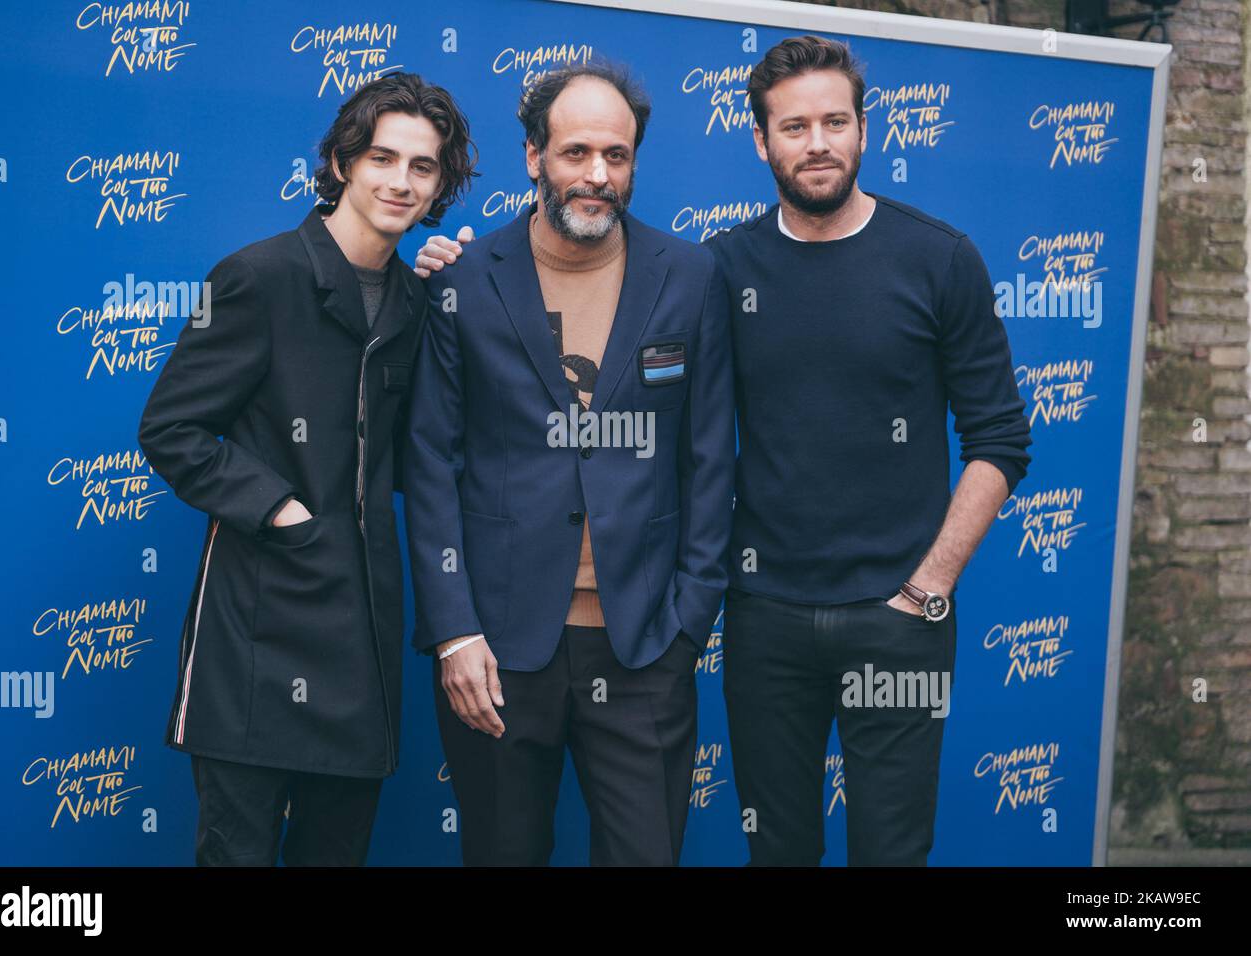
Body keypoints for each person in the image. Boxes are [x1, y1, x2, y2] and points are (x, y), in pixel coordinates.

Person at [414, 35, 1032, 867]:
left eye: (834, 122)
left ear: (862, 129)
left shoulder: (917, 259)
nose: (816, 142)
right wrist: (456, 632)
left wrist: (923, 591)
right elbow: (439, 458)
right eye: (794, 126)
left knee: (891, 851)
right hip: (717, 625)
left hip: (833, 629)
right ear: (760, 141)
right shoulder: (703, 268)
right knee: (771, 849)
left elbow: (993, 438)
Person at [138, 73, 477, 866]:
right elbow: (170, 427)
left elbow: (419, 452)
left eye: (422, 167)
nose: (400, 181)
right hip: (255, 631)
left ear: (440, 186)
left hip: (358, 639)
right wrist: (279, 509)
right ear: (340, 163)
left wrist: (460, 291)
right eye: (382, 158)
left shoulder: (417, 301)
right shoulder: (256, 276)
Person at [404, 62, 734, 866]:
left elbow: (711, 457)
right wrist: (453, 633)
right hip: (498, 652)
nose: (597, 174)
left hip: (644, 647)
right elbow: (430, 463)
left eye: (616, 156)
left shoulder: (689, 277)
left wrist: (687, 627)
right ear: (532, 157)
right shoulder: (466, 283)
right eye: (577, 151)